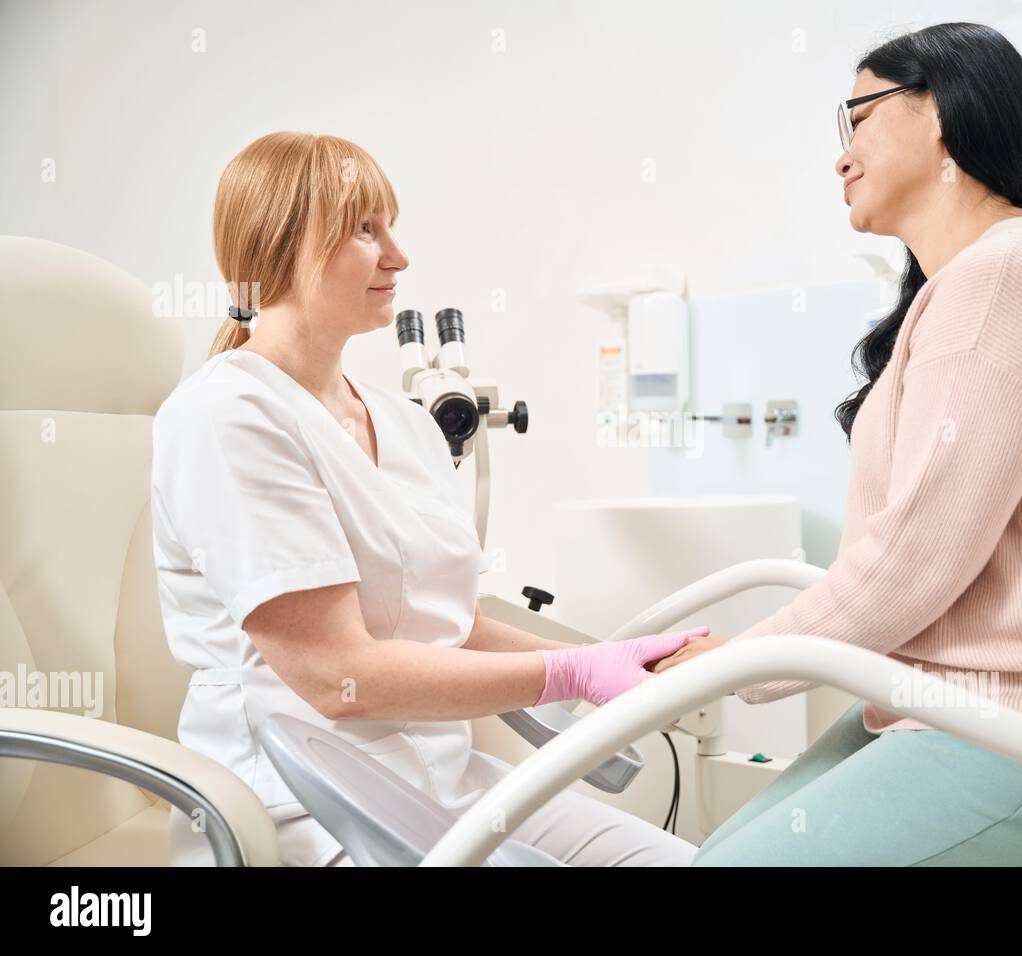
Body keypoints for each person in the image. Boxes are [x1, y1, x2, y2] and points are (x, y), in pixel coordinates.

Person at [654, 22, 1022, 866]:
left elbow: (912, 560)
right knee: (713, 854)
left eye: (859, 120)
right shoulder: (973, 285)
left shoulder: (1004, 281)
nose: (840, 159)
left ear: (939, 113)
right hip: (970, 708)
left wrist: (737, 667)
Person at [151, 131, 702, 866]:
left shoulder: (402, 422)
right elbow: (335, 677)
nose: (398, 256)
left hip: (440, 781)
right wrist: (566, 677)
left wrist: (604, 661)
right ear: (279, 244)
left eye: (391, 227)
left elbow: (452, 626)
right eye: (364, 229)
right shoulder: (227, 417)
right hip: (302, 803)